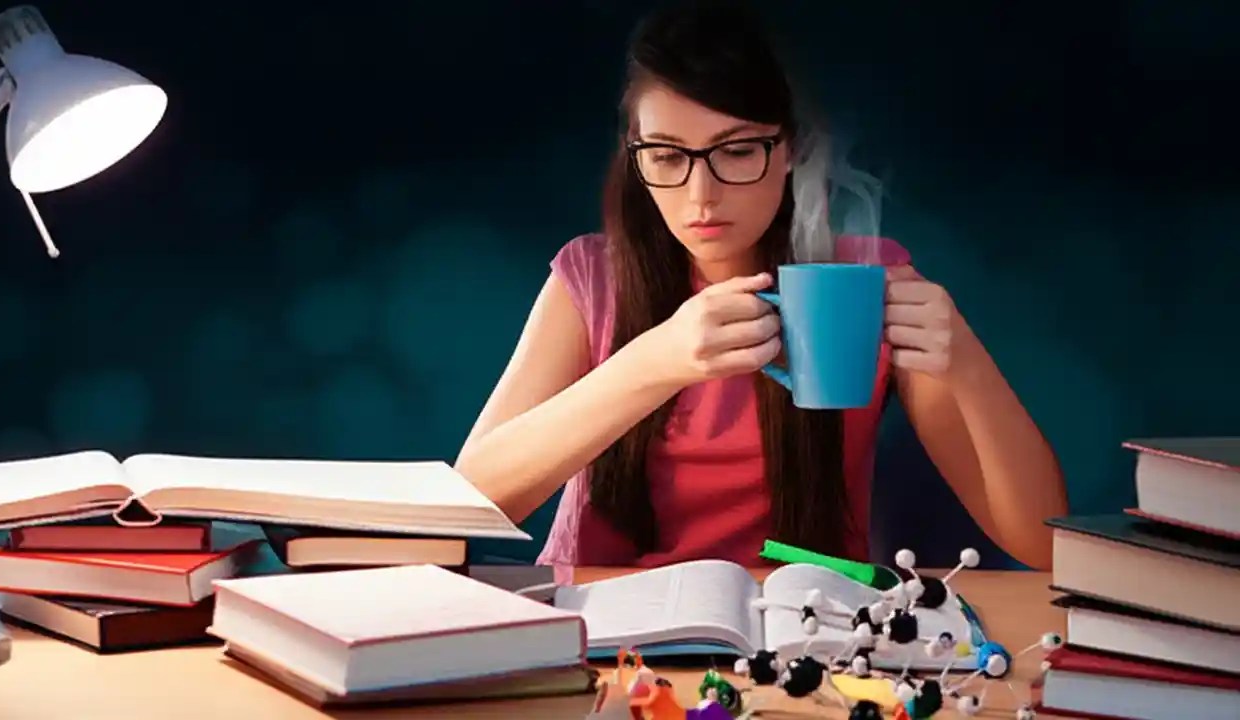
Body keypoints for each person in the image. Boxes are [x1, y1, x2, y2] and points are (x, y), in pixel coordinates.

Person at [455, 0, 1068, 571]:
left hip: (801, 635)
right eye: (668, 156)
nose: (702, 195)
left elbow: (1042, 545)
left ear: (789, 149)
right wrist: (652, 364)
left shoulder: (864, 284)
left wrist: (966, 362)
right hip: (599, 631)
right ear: (635, 157)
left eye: (738, 150)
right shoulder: (593, 277)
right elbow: (473, 499)